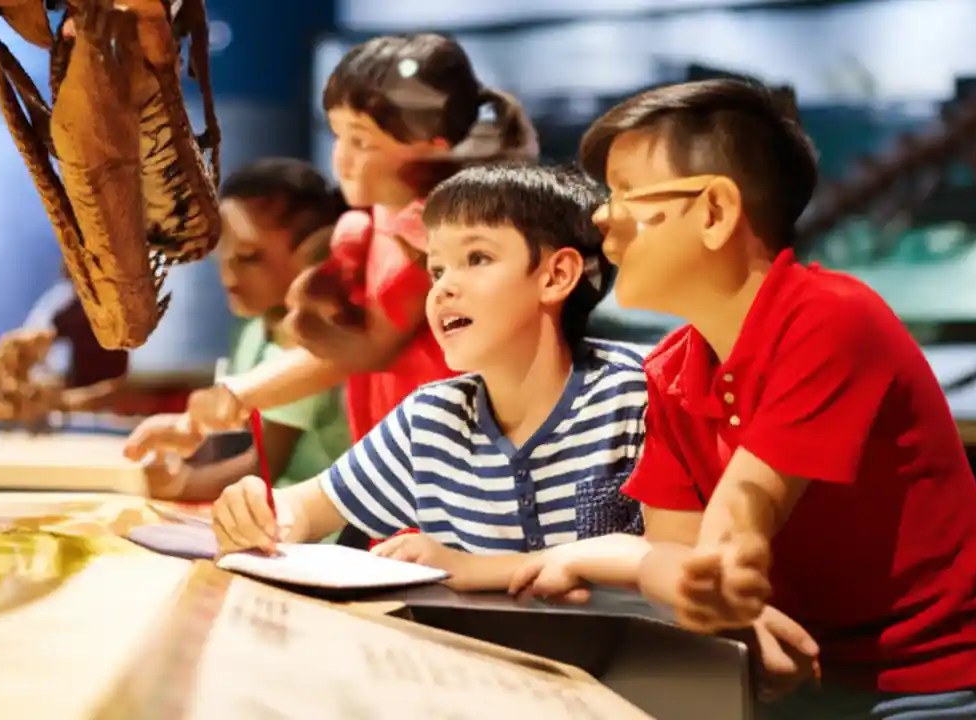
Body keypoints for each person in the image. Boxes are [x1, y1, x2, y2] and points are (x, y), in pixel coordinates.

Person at [510, 79, 976, 718]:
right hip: (784, 666)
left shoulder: (832, 317)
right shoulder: (671, 367)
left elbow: (746, 509)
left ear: (716, 212)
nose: (603, 216)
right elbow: (683, 552)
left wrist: (719, 576)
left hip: (919, 677)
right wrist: (718, 603)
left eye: (627, 192)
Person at [126, 33, 538, 548]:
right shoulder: (374, 228)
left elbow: (359, 347)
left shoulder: (431, 234)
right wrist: (220, 405)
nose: (342, 158)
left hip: (456, 477)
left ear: (432, 143)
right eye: (339, 135)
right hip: (398, 477)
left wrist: (234, 396)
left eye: (362, 141)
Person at [205, 164, 658, 592]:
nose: (442, 287)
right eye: (437, 269)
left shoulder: (636, 394)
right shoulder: (432, 418)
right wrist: (258, 511)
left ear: (557, 275)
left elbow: (676, 554)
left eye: (477, 257)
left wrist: (477, 569)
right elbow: (303, 508)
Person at [136, 158, 352, 502]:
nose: (228, 275)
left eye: (250, 257)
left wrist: (179, 485)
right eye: (223, 257)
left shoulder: (313, 339)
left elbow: (265, 467)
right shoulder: (253, 330)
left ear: (311, 251)